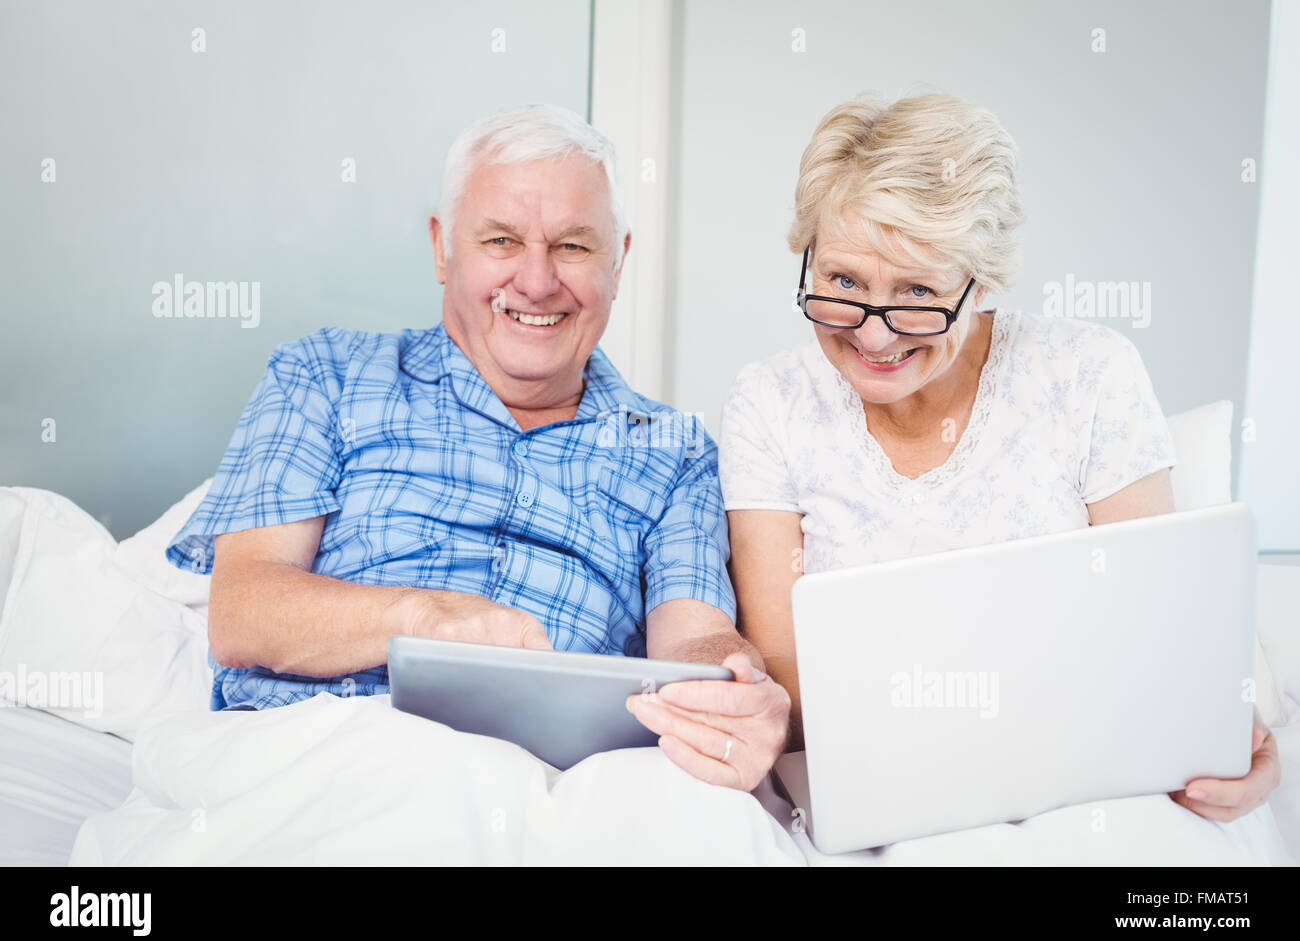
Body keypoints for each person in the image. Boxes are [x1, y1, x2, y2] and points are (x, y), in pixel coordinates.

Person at [166, 104, 789, 792]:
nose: (537, 281)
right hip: (323, 754)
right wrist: (426, 616)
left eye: (574, 246)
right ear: (442, 247)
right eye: (501, 242)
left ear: (620, 262)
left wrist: (732, 682)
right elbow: (243, 613)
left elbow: (692, 638)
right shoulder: (325, 375)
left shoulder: (676, 452)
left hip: (549, 789)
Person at [720, 93, 1280, 822]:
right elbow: (789, 696)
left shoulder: (1091, 373)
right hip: (878, 798)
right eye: (843, 283)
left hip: (1076, 795)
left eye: (917, 291)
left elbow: (1156, 650)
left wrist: (1229, 743)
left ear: (981, 282)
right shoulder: (770, 401)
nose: (875, 336)